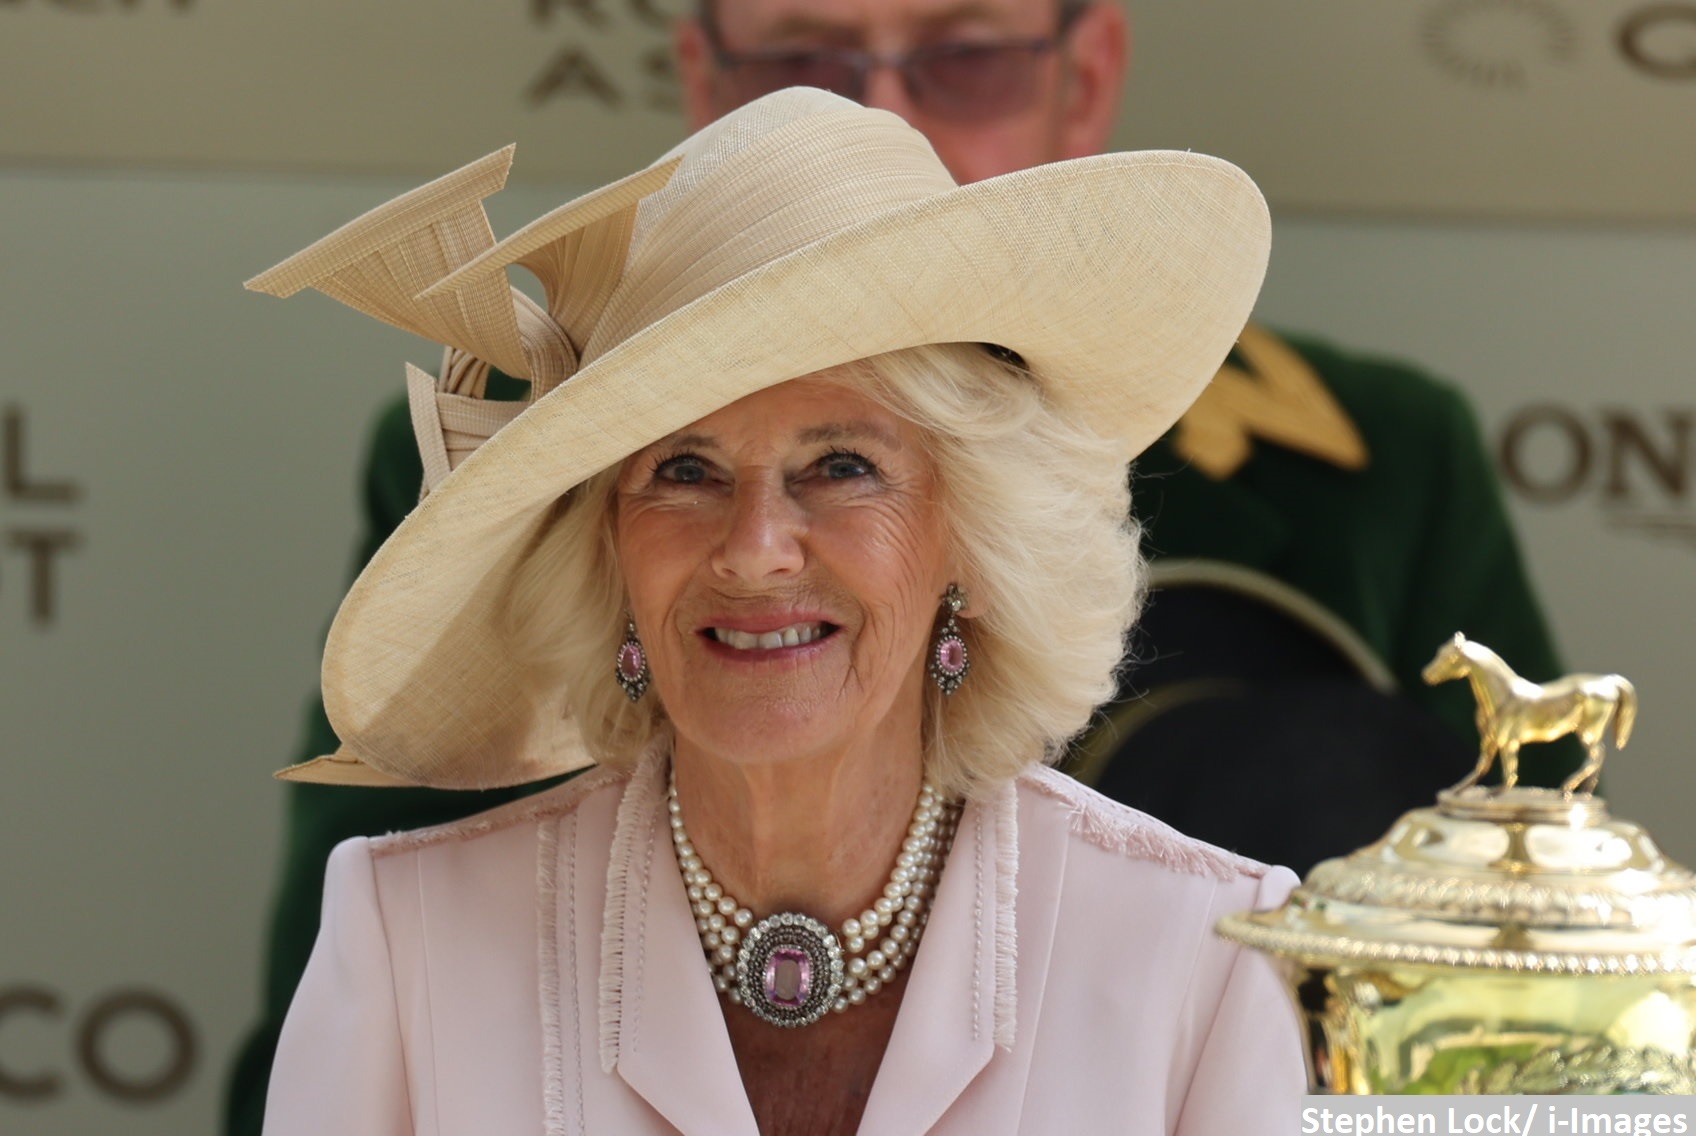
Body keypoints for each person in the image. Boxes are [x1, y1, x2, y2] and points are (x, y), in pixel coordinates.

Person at [225, 1, 1571, 1127]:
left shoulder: (1205, 965)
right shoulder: (409, 947)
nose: (756, 549)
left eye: (844, 468)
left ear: (965, 546)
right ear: (604, 555)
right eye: (682, 472)